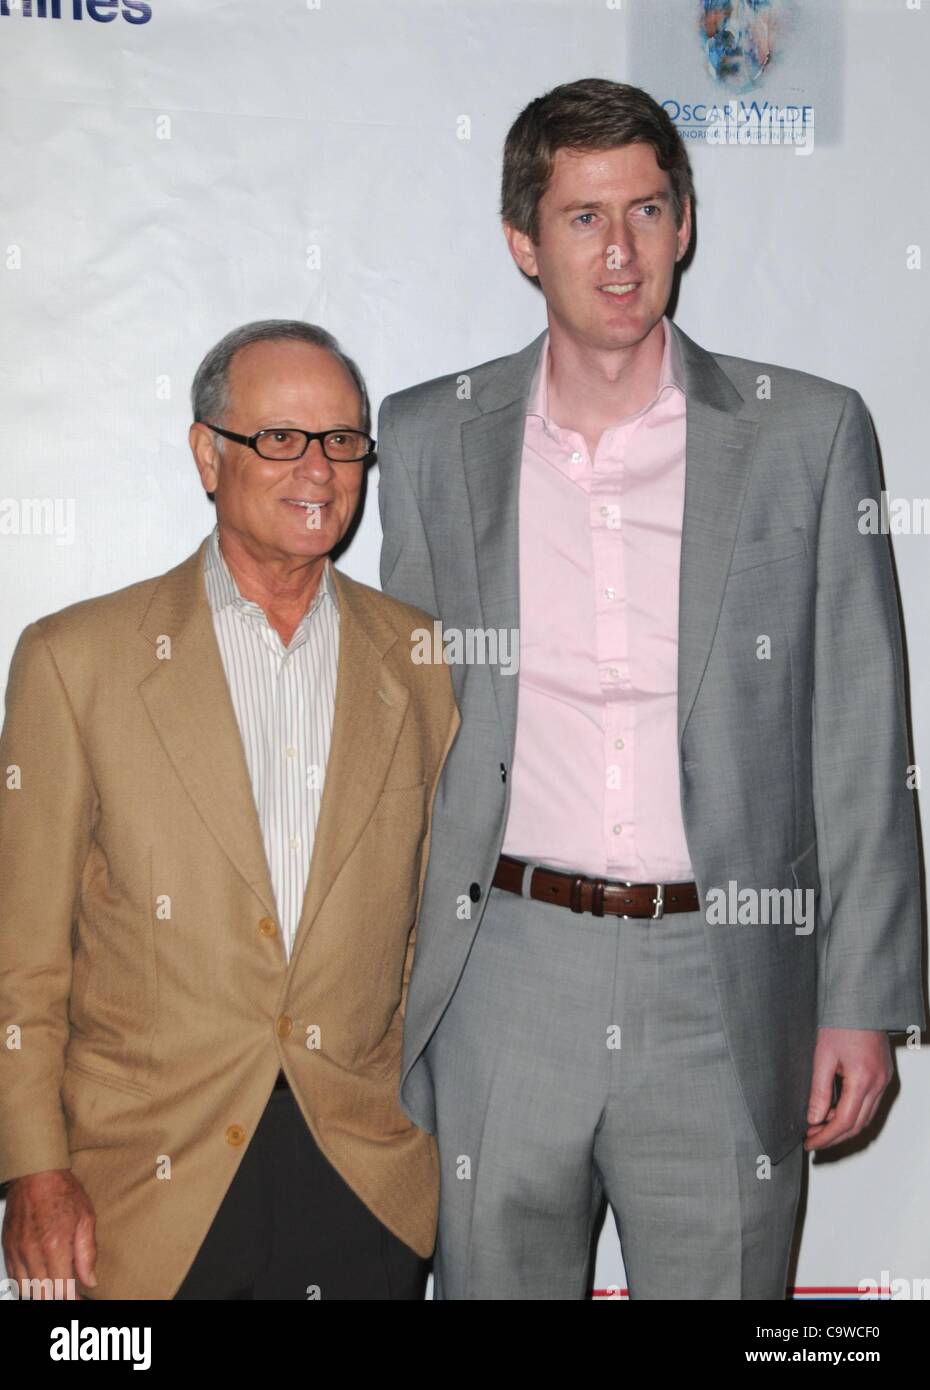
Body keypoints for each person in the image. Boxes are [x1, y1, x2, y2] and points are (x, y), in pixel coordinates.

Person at [376, 78, 925, 1299]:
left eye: (647, 210)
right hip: (502, 972)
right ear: (524, 241)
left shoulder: (810, 433)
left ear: (685, 223)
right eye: (582, 218)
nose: (619, 252)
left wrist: (866, 1000)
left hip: (724, 982)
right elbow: (401, 729)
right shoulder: (429, 437)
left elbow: (860, 728)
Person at [0, 320, 459, 1300]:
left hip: (361, 1182)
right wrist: (33, 1169)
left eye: (343, 440)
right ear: (210, 453)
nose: (321, 469)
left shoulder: (428, 662)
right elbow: (22, 959)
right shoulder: (74, 661)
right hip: (138, 1193)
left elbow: (439, 931)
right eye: (281, 438)